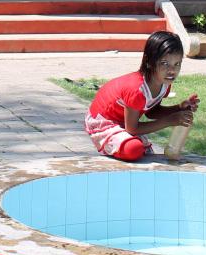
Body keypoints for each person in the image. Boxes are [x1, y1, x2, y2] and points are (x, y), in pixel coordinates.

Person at [84, 31, 199, 162]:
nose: (172, 70)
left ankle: (121, 140)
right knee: (134, 149)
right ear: (149, 62)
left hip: (124, 121)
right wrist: (169, 121)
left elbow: (151, 111)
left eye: (177, 64)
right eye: (165, 63)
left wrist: (179, 108)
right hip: (102, 121)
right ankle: (113, 142)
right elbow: (132, 129)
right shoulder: (137, 90)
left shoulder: (164, 84)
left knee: (140, 151)